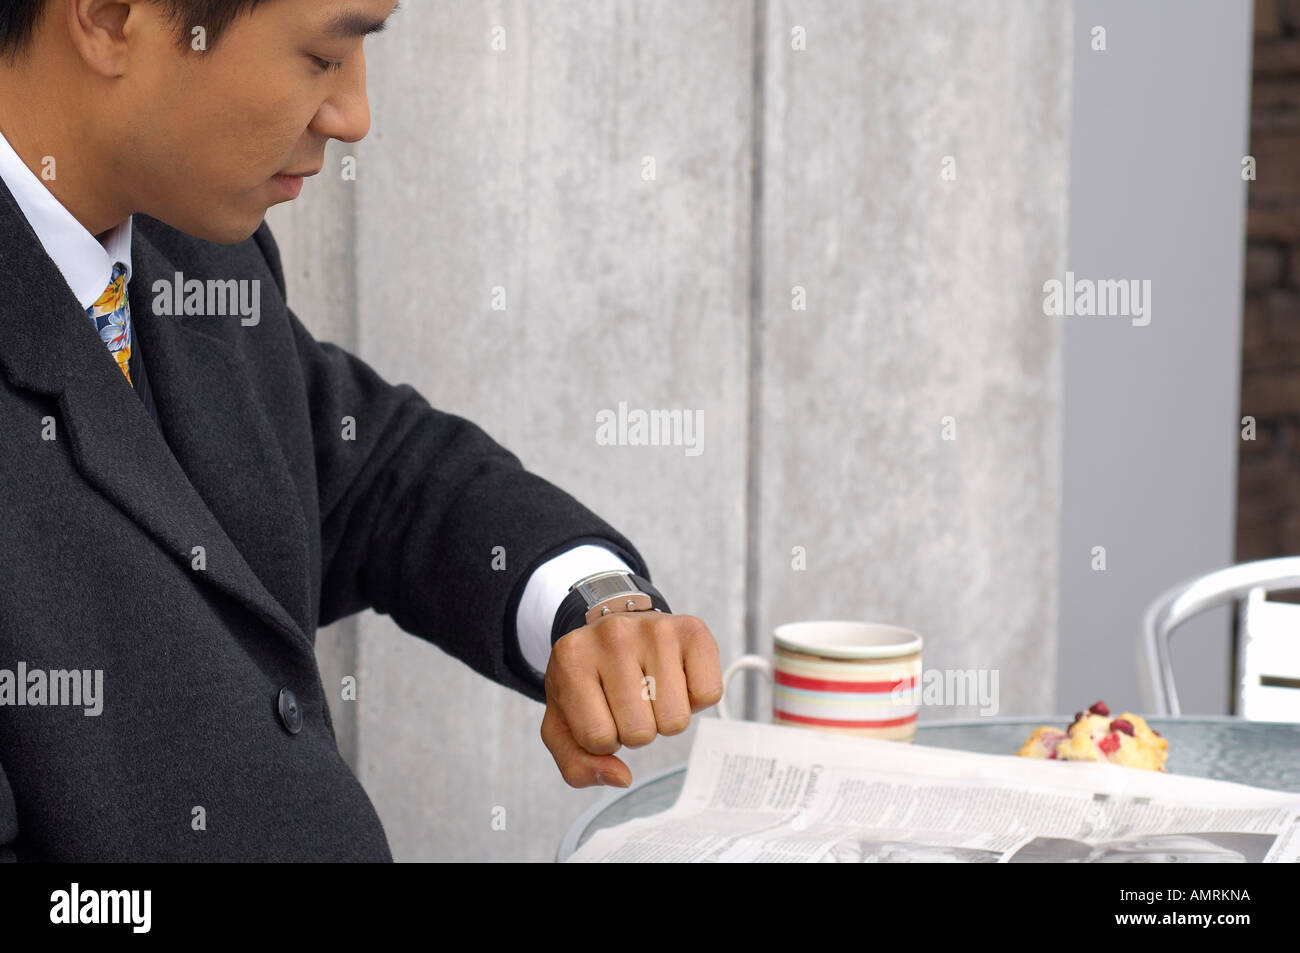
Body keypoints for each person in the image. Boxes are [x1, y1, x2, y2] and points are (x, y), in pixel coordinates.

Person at [0, 0, 722, 861]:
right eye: (322, 57)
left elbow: (374, 476)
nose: (354, 117)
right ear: (112, 18)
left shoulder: (186, 245)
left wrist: (591, 605)